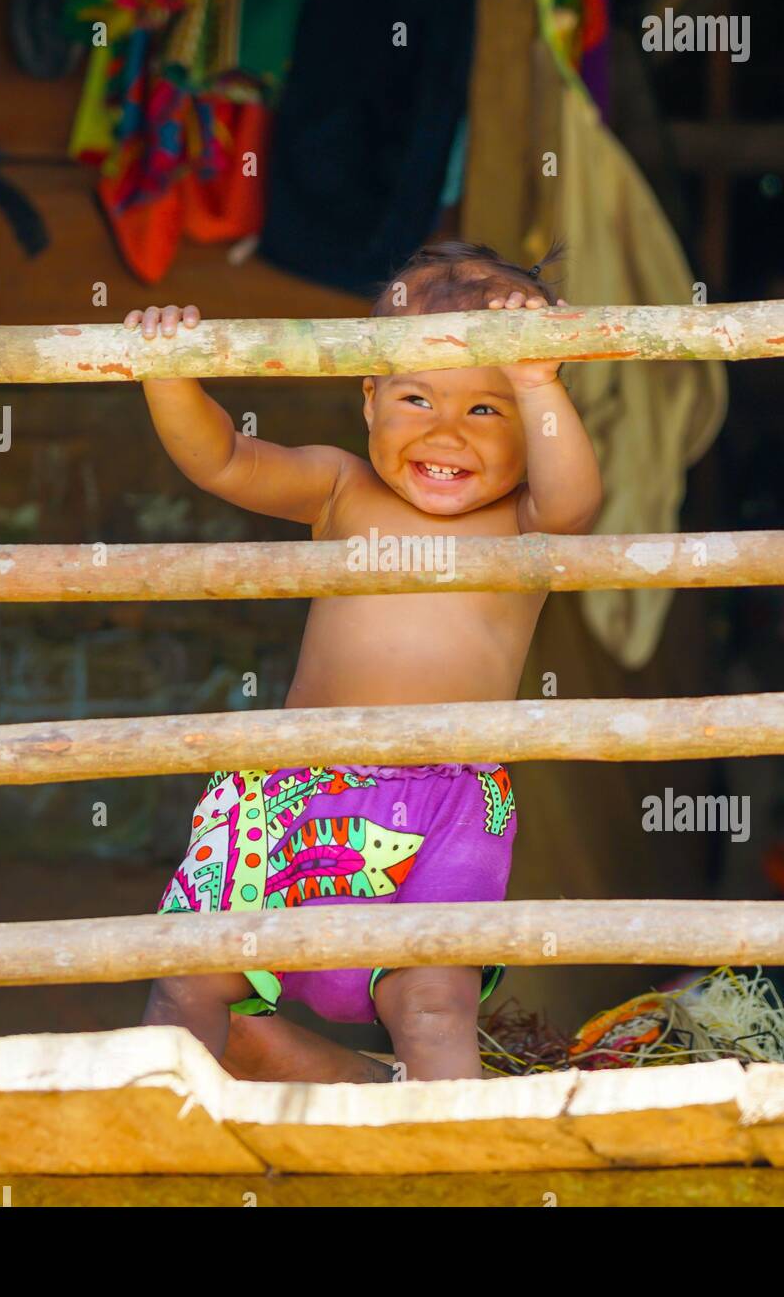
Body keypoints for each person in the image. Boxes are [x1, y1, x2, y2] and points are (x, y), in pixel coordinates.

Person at [130, 241, 602, 1080]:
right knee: (190, 988)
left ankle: (442, 1164)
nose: (445, 434)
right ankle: (170, 1157)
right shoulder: (340, 490)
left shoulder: (527, 526)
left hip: (448, 806)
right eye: (416, 397)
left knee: (430, 1003)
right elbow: (223, 459)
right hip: (287, 790)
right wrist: (167, 375)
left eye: (488, 411)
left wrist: (538, 380)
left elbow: (575, 503)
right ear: (368, 398)